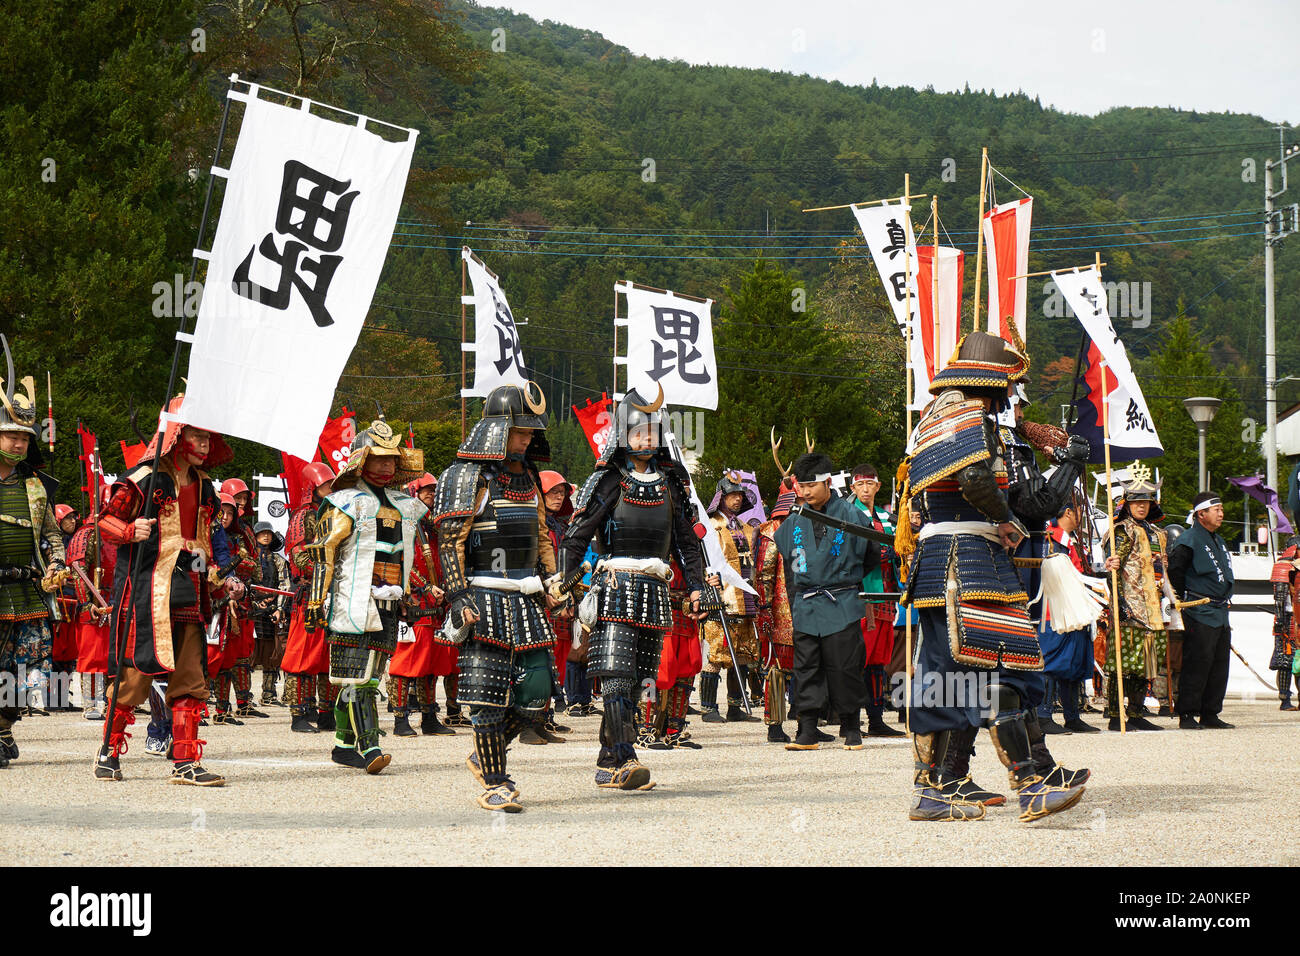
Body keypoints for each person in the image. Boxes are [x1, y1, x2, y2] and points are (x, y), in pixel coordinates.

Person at [898, 332, 1084, 822]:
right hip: (967, 558)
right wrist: (1001, 516)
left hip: (952, 558)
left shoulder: (937, 417)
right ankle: (1026, 778)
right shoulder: (968, 415)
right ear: (997, 380)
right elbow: (977, 481)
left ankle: (945, 784)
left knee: (959, 674)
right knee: (1000, 667)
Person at [556, 384, 705, 792]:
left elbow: (687, 543)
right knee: (617, 679)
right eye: (639, 431)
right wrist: (564, 581)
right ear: (622, 433)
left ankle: (608, 762)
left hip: (655, 593)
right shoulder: (607, 482)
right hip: (615, 588)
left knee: (639, 680)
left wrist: (696, 587)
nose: (646, 439)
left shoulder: (673, 484)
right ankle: (626, 757)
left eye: (653, 431)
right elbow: (576, 535)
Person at [92, 394, 242, 785]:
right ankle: (108, 750)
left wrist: (214, 578)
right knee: (135, 678)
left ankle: (186, 761)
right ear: (177, 435)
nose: (207, 444)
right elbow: (103, 521)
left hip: (189, 594)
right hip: (145, 595)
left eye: (210, 437)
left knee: (191, 678)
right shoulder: (142, 480)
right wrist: (128, 531)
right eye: (198, 435)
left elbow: (197, 545)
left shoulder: (207, 487)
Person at [433, 383, 561, 811]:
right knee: (486, 695)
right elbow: (449, 543)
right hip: (484, 594)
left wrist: (553, 578)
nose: (526, 439)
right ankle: (494, 780)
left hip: (526, 595)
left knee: (538, 692)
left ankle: (483, 753)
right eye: (519, 431)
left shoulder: (528, 478)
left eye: (529, 433)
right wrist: (457, 596)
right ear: (495, 430)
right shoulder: (465, 477)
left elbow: (542, 535)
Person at [305, 419, 426, 773]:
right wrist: (316, 600)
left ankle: (343, 745)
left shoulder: (406, 505)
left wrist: (410, 593)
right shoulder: (343, 502)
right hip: (352, 600)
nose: (387, 464)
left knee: (369, 678)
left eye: (392, 457)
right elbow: (323, 552)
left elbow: (405, 557)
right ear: (361, 459)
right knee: (358, 678)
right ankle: (371, 747)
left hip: (389, 603)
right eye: (379, 457)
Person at [773, 451, 877, 752]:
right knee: (806, 667)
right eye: (800, 486)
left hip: (841, 599)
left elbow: (871, 555)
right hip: (806, 602)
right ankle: (807, 728)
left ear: (827, 482)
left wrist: (847, 579)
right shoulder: (793, 521)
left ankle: (851, 726)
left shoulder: (852, 515)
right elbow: (789, 565)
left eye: (811, 485)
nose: (805, 492)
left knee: (844, 665)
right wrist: (795, 602)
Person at [0, 354, 66, 769]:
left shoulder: (36, 483)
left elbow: (52, 536)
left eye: (24, 436)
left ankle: (4, 725)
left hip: (29, 590)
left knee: (28, 671)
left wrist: (57, 565)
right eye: (10, 435)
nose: (18, 443)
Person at [386, 472, 451, 737]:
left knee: (431, 665)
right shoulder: (406, 524)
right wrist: (425, 586)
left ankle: (429, 717)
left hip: (437, 604)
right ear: (414, 492)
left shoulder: (435, 528)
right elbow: (404, 561)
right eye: (427, 491)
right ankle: (400, 719)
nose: (432, 496)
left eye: (435, 491)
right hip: (414, 604)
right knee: (406, 663)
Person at [1104, 466, 1168, 731]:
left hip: (1153, 607)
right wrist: (1119, 601)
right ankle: (1116, 715)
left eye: (1145, 501)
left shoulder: (1157, 534)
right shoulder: (1121, 531)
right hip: (1129, 604)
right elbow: (1113, 569)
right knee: (1124, 662)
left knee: (1146, 662)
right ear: (1126, 503)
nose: (1141, 505)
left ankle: (1137, 711)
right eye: (1136, 501)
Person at [1168, 491, 1235, 729]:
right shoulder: (1188, 540)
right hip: (1198, 609)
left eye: (1221, 509)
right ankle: (1187, 714)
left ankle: (1210, 712)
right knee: (1198, 662)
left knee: (1219, 665)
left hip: (1220, 611)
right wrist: (1181, 602)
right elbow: (1175, 572)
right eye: (1216, 510)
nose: (1221, 514)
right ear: (1201, 514)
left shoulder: (1219, 539)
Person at [849, 463, 905, 738]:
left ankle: (876, 718)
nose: (865, 489)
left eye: (870, 484)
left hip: (886, 592)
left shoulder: (887, 517)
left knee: (879, 660)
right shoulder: (847, 516)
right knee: (858, 657)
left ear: (878, 486)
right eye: (860, 485)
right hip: (861, 596)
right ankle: (851, 719)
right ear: (853, 488)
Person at [699, 470, 761, 724]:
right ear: (721, 497)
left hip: (745, 597)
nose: (736, 500)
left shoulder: (747, 528)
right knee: (716, 653)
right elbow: (704, 560)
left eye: (739, 496)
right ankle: (708, 707)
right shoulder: (710, 526)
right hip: (721, 596)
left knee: (743, 655)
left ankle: (735, 707)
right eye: (731, 495)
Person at [281, 461, 337, 734]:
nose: (331, 489)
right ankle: (298, 714)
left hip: (332, 593)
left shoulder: (333, 513)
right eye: (326, 485)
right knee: (302, 657)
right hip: (310, 593)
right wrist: (327, 569)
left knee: (328, 656)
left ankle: (327, 713)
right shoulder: (303, 517)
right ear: (312, 488)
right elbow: (300, 556)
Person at [1038, 504, 1101, 732]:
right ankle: (1043, 715)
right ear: (1067, 512)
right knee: (1053, 662)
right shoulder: (1049, 538)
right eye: (1079, 510)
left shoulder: (1072, 540)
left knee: (1075, 663)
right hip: (1055, 610)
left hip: (1077, 608)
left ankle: (1072, 716)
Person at [755, 477, 798, 743]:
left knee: (808, 667)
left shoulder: (809, 527)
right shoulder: (770, 531)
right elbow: (763, 574)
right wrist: (764, 609)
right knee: (776, 670)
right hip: (780, 609)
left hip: (806, 607)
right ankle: (774, 724)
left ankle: (808, 721)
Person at [251, 521, 290, 707]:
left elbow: (285, 586)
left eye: (269, 533)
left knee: (271, 653)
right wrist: (253, 602)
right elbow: (244, 581)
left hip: (271, 611)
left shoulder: (279, 561)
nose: (266, 536)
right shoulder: (248, 558)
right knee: (244, 654)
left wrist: (279, 608)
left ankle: (268, 693)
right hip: (249, 610)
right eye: (262, 533)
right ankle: (242, 698)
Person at [51, 505, 81, 712]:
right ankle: (53, 698)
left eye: (74, 518)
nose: (73, 521)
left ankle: (63, 697)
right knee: (56, 652)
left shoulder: (77, 542)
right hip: (57, 602)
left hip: (73, 602)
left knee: (70, 652)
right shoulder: (52, 546)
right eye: (68, 518)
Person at [1269, 536, 1299, 711]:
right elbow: (1280, 598)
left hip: (1298, 617)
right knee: (1285, 661)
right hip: (1287, 619)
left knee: (1298, 660)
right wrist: (1280, 620)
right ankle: (1285, 698)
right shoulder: (1283, 566)